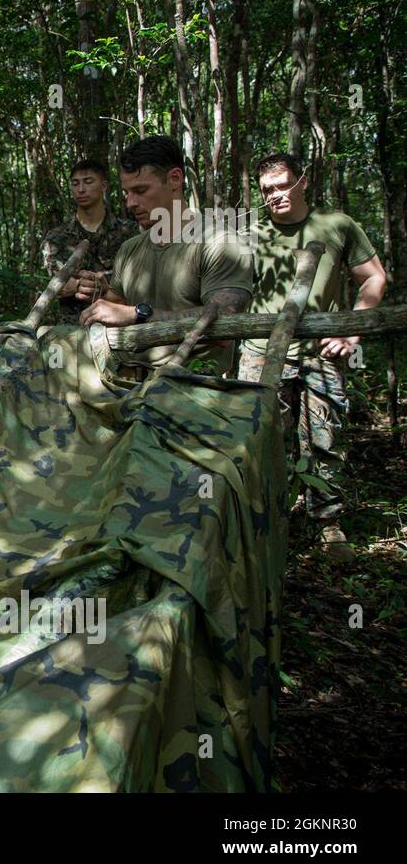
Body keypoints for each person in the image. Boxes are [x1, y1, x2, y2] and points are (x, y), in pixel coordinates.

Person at [236, 152, 388, 561]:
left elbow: (374, 276)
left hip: (320, 350)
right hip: (260, 350)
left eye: (283, 185)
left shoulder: (336, 225)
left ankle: (328, 523)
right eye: (267, 189)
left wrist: (352, 330)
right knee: (261, 438)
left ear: (302, 181)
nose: (276, 195)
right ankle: (266, 522)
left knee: (324, 436)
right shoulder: (249, 231)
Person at [79, 135, 254, 376]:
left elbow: (224, 323)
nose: (130, 203)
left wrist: (138, 314)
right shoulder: (130, 249)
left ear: (174, 179)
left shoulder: (221, 243)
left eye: (140, 190)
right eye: (126, 192)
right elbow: (115, 307)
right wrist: (97, 297)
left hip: (191, 387)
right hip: (125, 383)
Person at [41, 158, 138, 322]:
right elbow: (58, 285)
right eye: (75, 183)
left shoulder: (129, 232)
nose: (81, 189)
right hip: (72, 331)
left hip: (120, 326)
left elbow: (138, 281)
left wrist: (91, 285)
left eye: (88, 182)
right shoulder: (56, 238)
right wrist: (78, 286)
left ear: (104, 186)